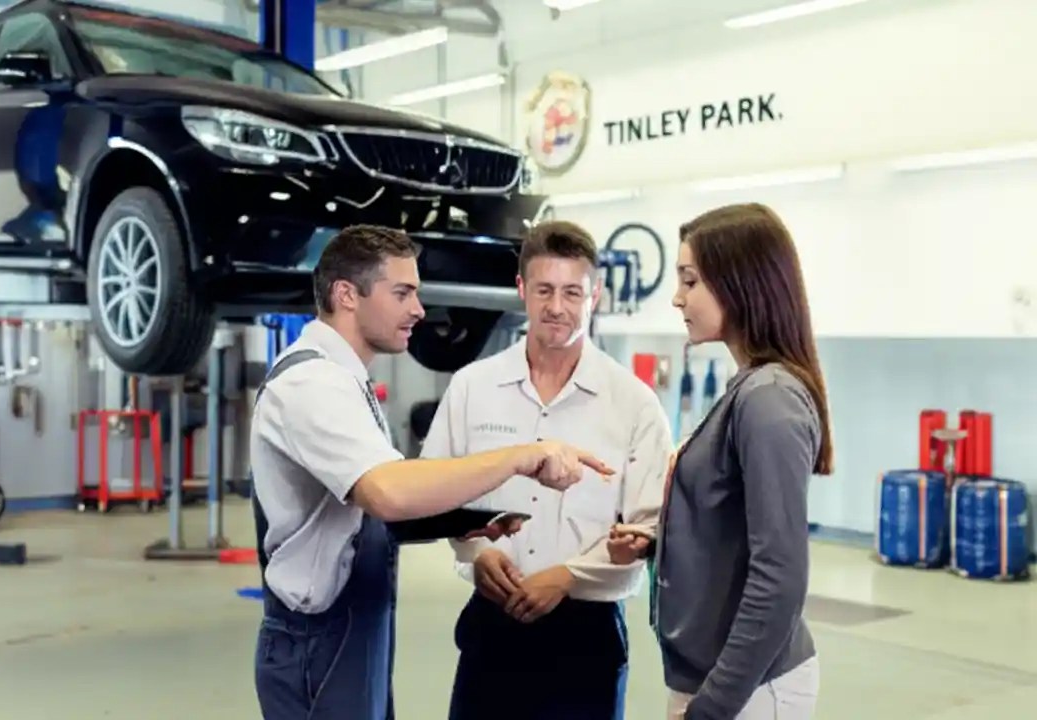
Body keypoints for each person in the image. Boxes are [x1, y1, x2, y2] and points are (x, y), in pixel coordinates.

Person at [249, 224, 615, 720]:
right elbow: (386, 493)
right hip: (319, 638)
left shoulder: (343, 380)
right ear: (345, 295)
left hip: (351, 626)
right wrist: (520, 457)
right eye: (402, 293)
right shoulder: (313, 384)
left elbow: (370, 508)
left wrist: (461, 521)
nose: (419, 310)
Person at [420, 220, 674, 720]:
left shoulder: (634, 404)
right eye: (544, 290)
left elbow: (649, 523)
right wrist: (477, 553)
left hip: (587, 635)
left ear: (594, 294)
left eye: (572, 292)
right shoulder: (473, 387)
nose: (557, 307)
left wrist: (567, 576)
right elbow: (435, 491)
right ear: (522, 290)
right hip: (492, 621)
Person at [618, 203, 830, 720]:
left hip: (747, 689)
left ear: (740, 283)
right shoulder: (749, 389)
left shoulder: (769, 398)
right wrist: (662, 544)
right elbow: (731, 523)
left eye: (690, 281)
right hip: (715, 677)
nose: (676, 298)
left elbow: (779, 577)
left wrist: (713, 707)